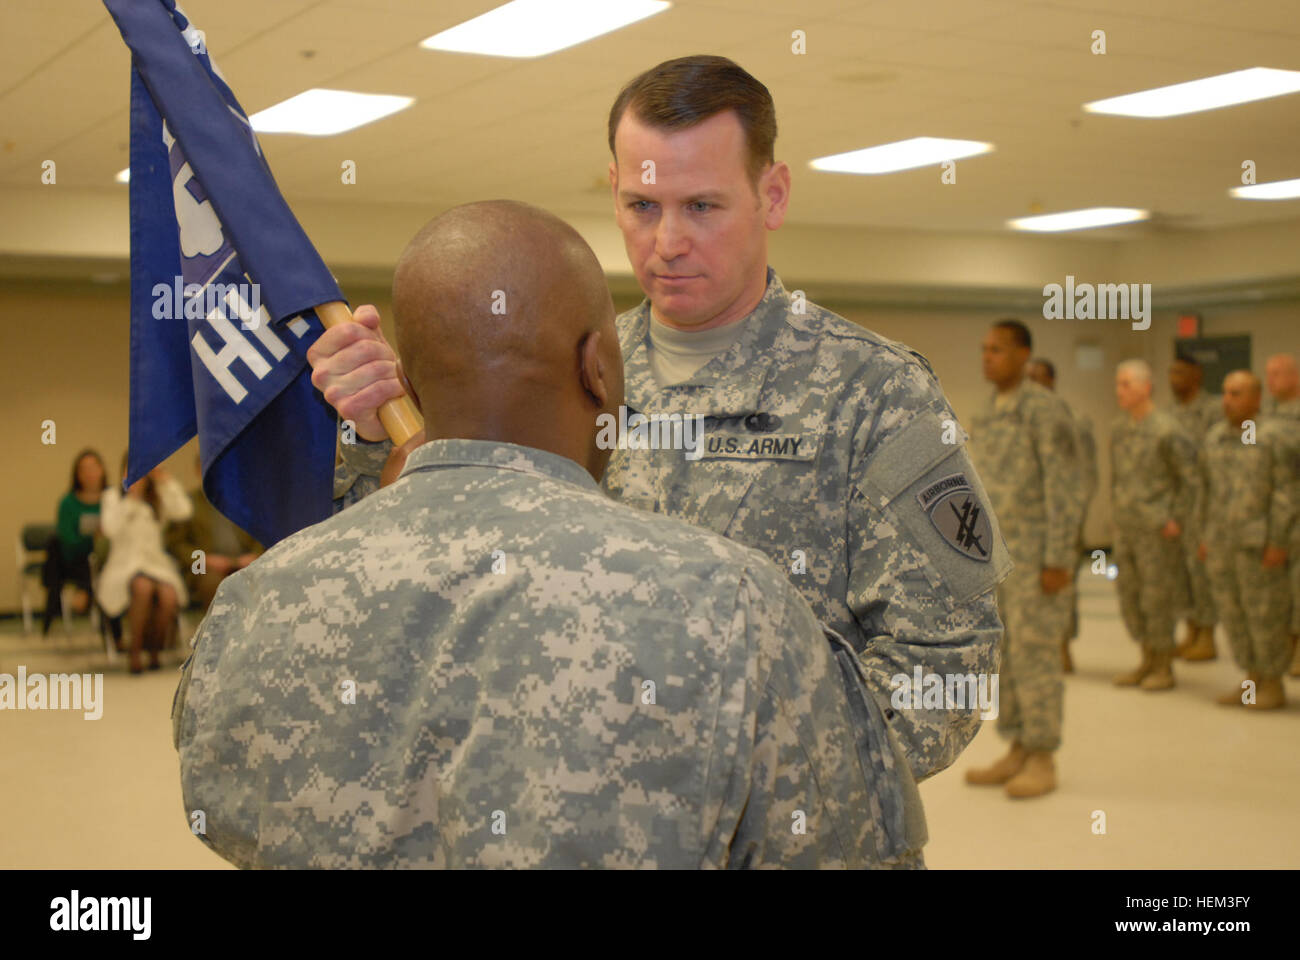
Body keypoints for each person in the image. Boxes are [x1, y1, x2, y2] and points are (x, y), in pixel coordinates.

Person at [309, 58, 1009, 818]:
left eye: (702, 205)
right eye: (642, 205)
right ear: (612, 187)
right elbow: (423, 574)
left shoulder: (878, 393)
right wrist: (372, 430)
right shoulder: (553, 374)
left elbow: (949, 665)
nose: (667, 241)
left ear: (771, 195)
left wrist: (757, 799)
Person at [175, 200, 917, 869]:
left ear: (412, 381)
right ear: (598, 367)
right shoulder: (732, 604)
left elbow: (222, 812)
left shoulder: (255, 602)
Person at [965, 321, 1082, 799]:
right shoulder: (990, 411)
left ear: (1023, 355)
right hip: (996, 561)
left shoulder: (1046, 410)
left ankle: (1042, 755)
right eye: (984, 349)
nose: (987, 357)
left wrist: (1058, 557)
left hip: (1037, 559)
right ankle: (1015, 746)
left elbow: (1066, 488)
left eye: (997, 350)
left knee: (1035, 656)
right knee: (1004, 659)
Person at [1197, 371, 1294, 710]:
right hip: (1223, 541)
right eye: (1224, 393)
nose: (1227, 400)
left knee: (1264, 614)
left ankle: (1273, 684)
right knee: (1234, 614)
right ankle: (1252, 681)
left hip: (1258, 543)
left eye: (1236, 393)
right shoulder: (1214, 438)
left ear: (1256, 398)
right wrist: (1205, 535)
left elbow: (1286, 494)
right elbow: (1205, 491)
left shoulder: (1271, 437)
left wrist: (1278, 540)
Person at [1108, 360, 1198, 691]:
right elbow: (1117, 477)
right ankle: (1145, 659)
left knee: (1157, 598)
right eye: (1118, 384)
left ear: (1146, 387)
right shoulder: (1120, 429)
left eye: (1126, 384)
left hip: (1157, 531)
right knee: (1131, 596)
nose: (1120, 391)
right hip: (1127, 528)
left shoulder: (1167, 430)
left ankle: (1163, 665)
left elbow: (1191, 480)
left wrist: (1176, 518)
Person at [1026, 357, 1096, 673]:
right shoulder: (1019, 420)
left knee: (1062, 590)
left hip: (1061, 522)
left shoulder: (1072, 420)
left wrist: (1072, 518)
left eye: (1039, 379)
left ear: (1052, 381)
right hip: (1025, 525)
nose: (1033, 385)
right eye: (1029, 379)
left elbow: (1085, 473)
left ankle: (1063, 646)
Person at [99, 454, 192, 673]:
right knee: (142, 587)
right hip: (124, 564)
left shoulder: (158, 495)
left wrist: (165, 480)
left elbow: (184, 511)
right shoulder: (112, 497)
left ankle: (154, 650)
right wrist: (131, 498)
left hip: (156, 563)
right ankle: (135, 651)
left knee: (169, 596)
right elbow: (110, 529)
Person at [1168, 354, 1220, 661]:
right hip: (1177, 504)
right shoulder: (1170, 414)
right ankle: (1191, 630)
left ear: (1196, 375)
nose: (1175, 378)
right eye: (1171, 372)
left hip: (1203, 501)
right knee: (1183, 573)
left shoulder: (1212, 410)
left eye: (1181, 372)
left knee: (1202, 572)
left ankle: (1208, 636)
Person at [166, 453, 261, 612]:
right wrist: (206, 559)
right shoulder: (187, 504)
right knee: (211, 583)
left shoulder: (243, 501)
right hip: (201, 565)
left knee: (262, 579)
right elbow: (177, 545)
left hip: (244, 562)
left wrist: (256, 556)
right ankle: (220, 633)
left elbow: (261, 535)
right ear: (198, 472)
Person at [1263, 353, 1300, 677]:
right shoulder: (1266, 418)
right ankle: (1285, 649)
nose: (1271, 379)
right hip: (1274, 519)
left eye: (1278, 373)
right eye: (1268, 374)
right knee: (1280, 592)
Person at [53, 449, 108, 617]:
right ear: (77, 475)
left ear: (102, 470)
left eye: (93, 468)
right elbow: (68, 542)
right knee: (90, 563)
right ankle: (85, 590)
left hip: (109, 557)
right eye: (84, 469)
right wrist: (94, 538)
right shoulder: (68, 503)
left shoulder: (112, 498)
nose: (89, 473)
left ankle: (85, 591)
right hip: (76, 561)